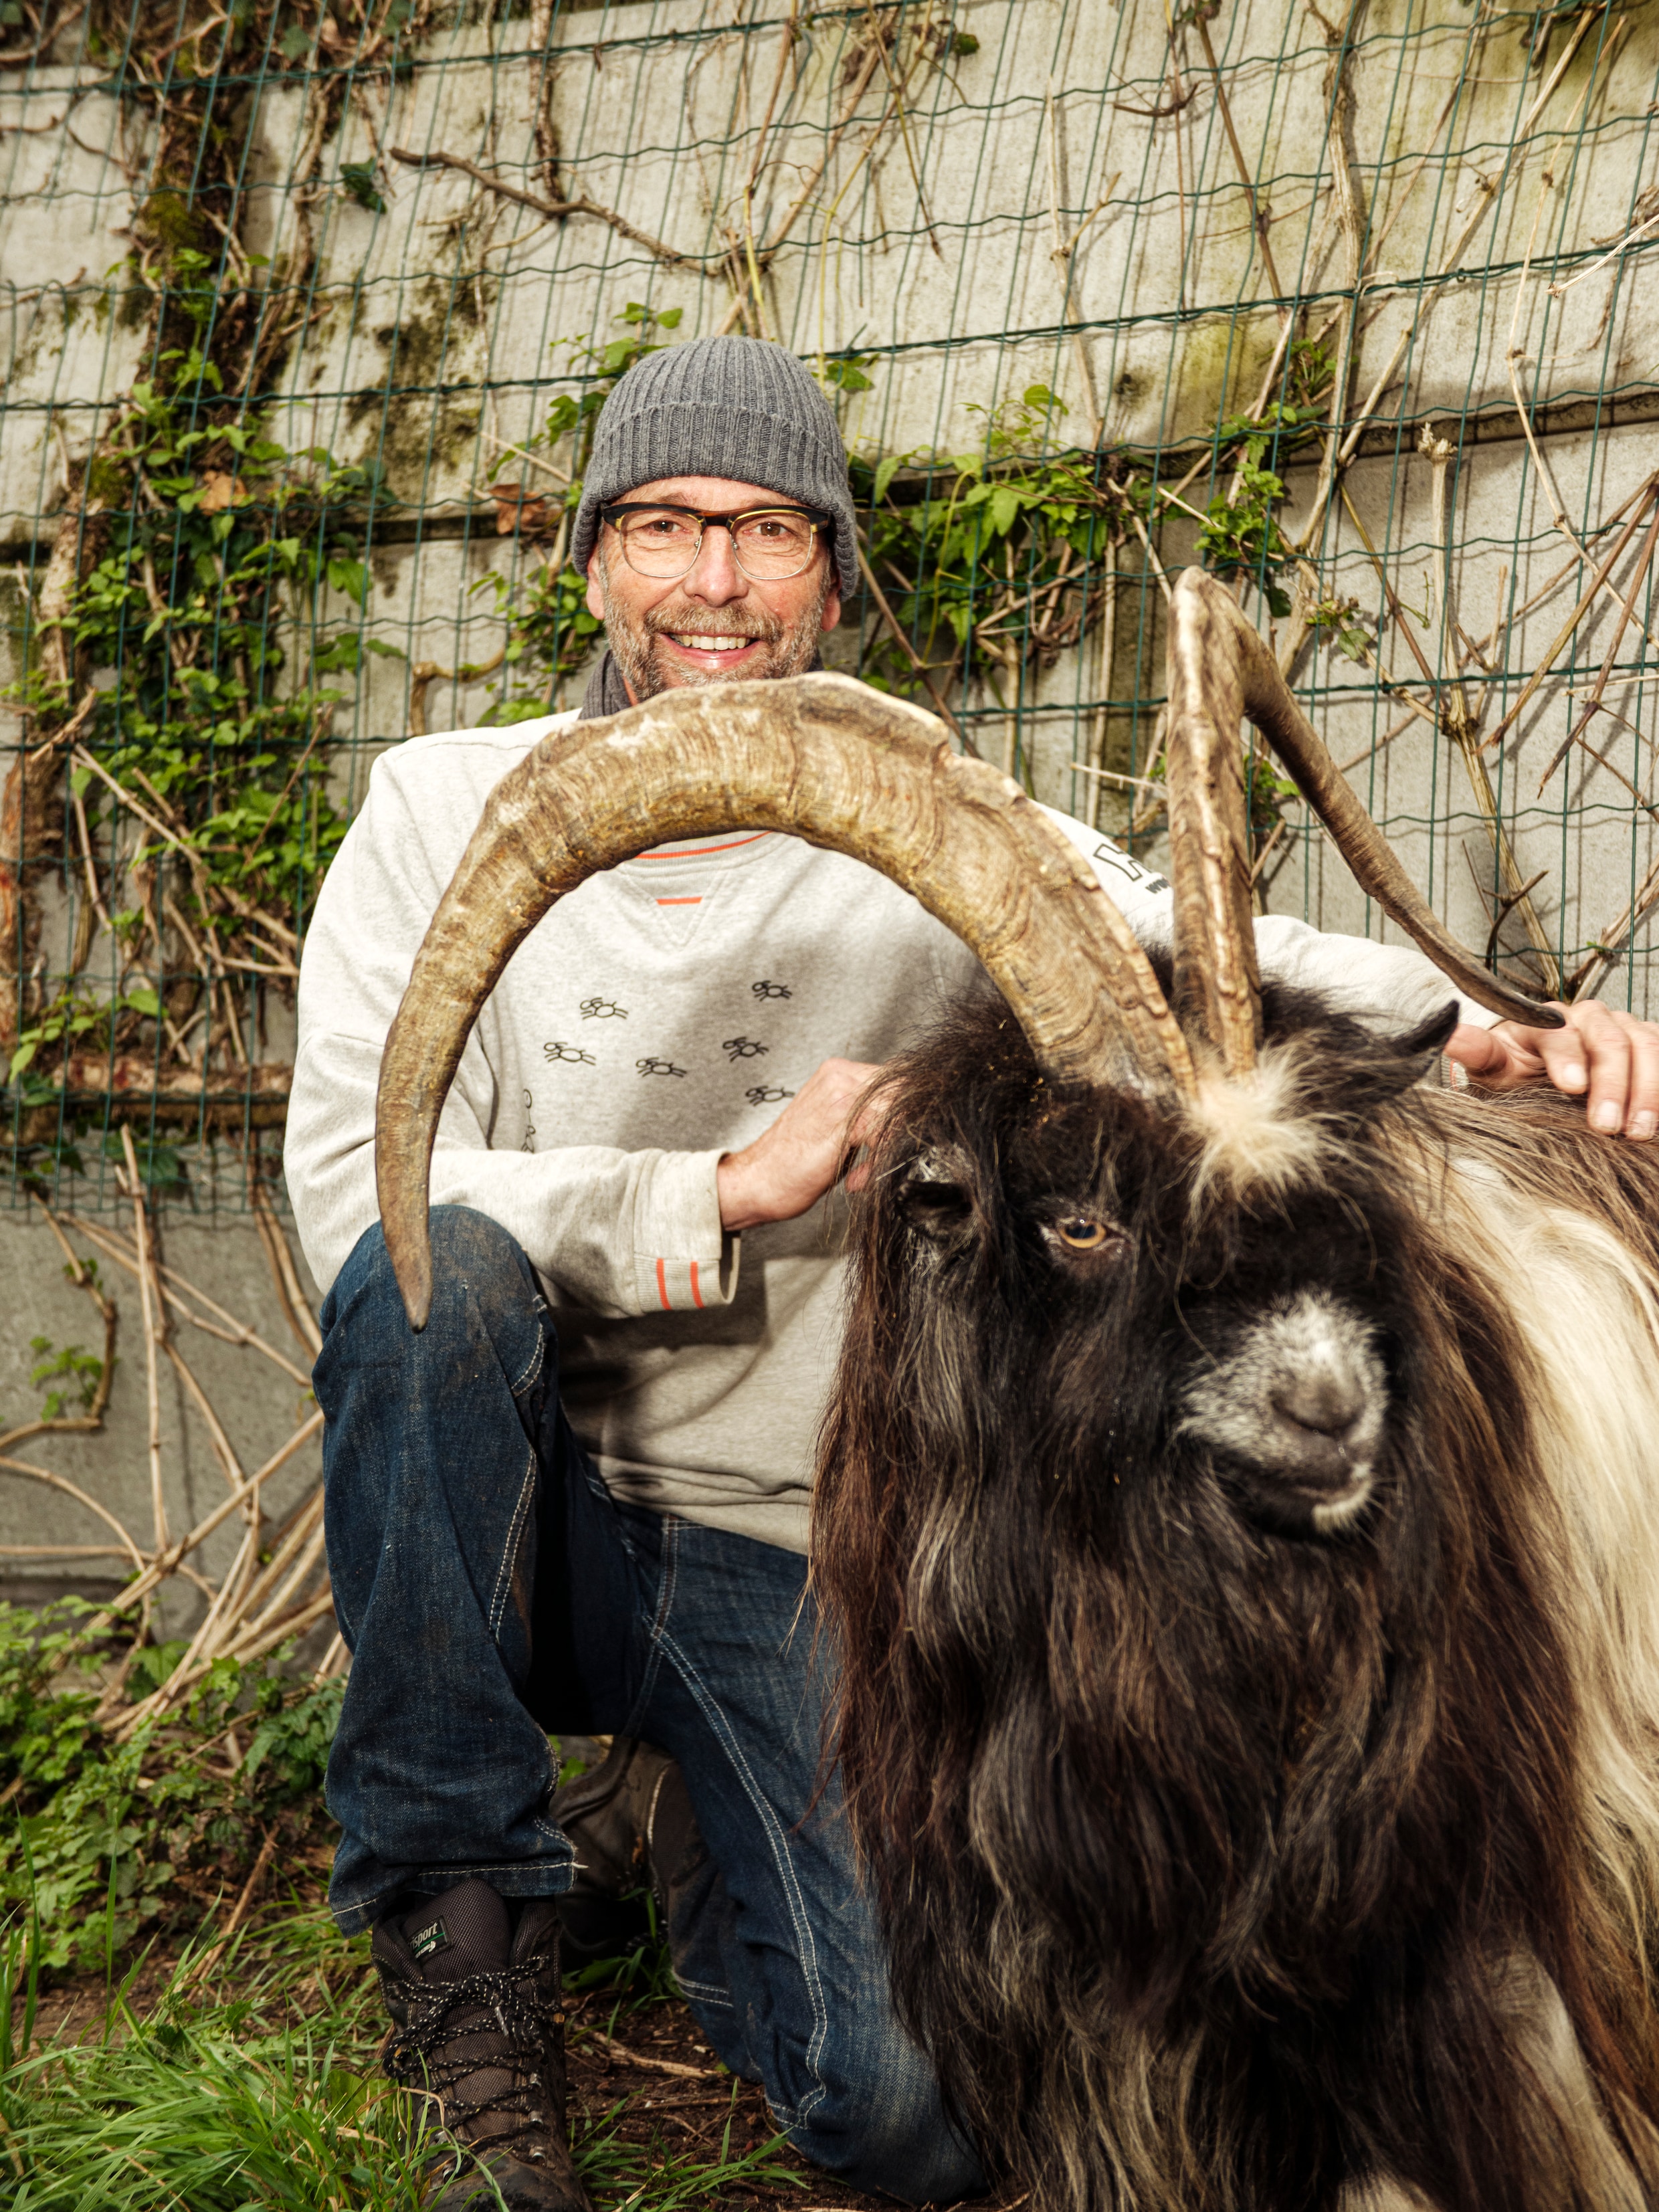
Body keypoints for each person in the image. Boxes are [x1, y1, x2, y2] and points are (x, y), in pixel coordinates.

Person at [285, 335, 1659, 2212]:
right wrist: (713, 1185)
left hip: (795, 1550)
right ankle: (457, 1947)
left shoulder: (928, 829)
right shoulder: (442, 809)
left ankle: (697, 1828)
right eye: (671, 525)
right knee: (429, 1288)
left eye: (769, 531)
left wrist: (1491, 1028)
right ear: (596, 559)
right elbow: (353, 1200)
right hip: (525, 1511)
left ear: (833, 580)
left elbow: (1179, 947)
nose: (717, 578)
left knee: (914, 2119)